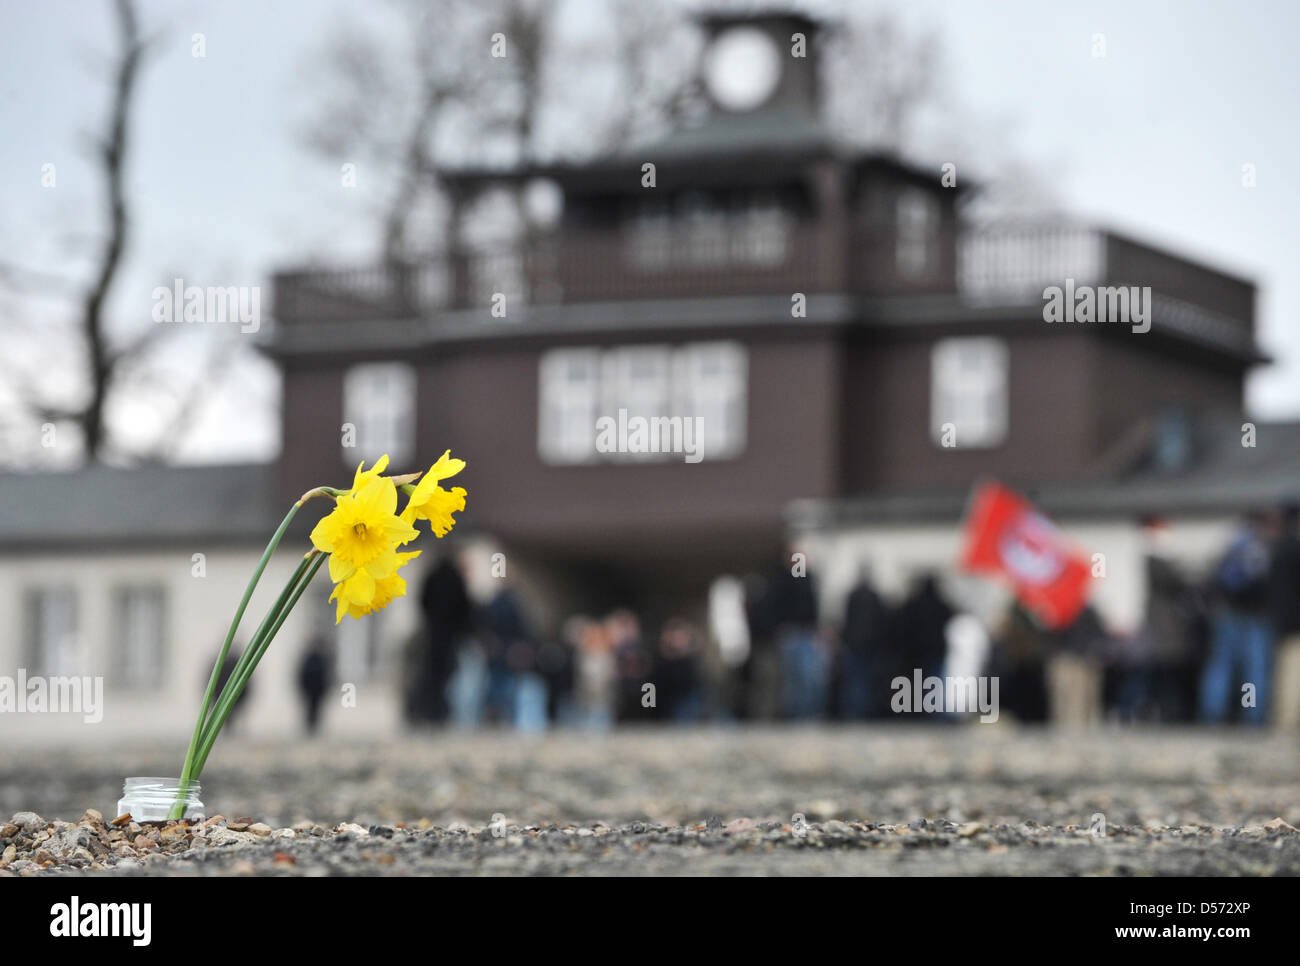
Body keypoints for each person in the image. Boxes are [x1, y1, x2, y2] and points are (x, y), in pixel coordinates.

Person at [1200, 514, 1273, 724]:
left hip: (1226, 613)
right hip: (1255, 615)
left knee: (1220, 666)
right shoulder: (1260, 547)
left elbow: (1215, 578)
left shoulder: (1232, 545)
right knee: (1254, 669)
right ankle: (1252, 714)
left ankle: (1212, 713)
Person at [409, 554, 471, 725]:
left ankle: (428, 712)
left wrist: (429, 621)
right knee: (446, 675)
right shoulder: (456, 579)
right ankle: (441, 713)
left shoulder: (433, 576)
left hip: (434, 633)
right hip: (450, 635)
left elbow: (422, 600)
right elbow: (464, 608)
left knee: (430, 674)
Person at [839, 563, 889, 719]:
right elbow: (880, 621)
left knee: (855, 678)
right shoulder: (874, 597)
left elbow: (847, 620)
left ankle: (854, 709)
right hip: (869, 644)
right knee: (865, 678)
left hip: (854, 643)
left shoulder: (853, 596)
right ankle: (864, 709)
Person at [1268, 501, 1300, 729]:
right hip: (1294, 623)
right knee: (1291, 677)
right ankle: (1286, 725)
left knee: (1284, 674)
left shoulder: (1278, 548)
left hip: (1281, 621)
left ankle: (1283, 723)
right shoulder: (1293, 549)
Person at [296, 633, 332, 735]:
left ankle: (313, 728)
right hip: (310, 690)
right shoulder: (309, 658)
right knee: (309, 709)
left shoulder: (322, 658)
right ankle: (309, 728)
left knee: (316, 709)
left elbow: (326, 675)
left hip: (317, 690)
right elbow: (302, 674)